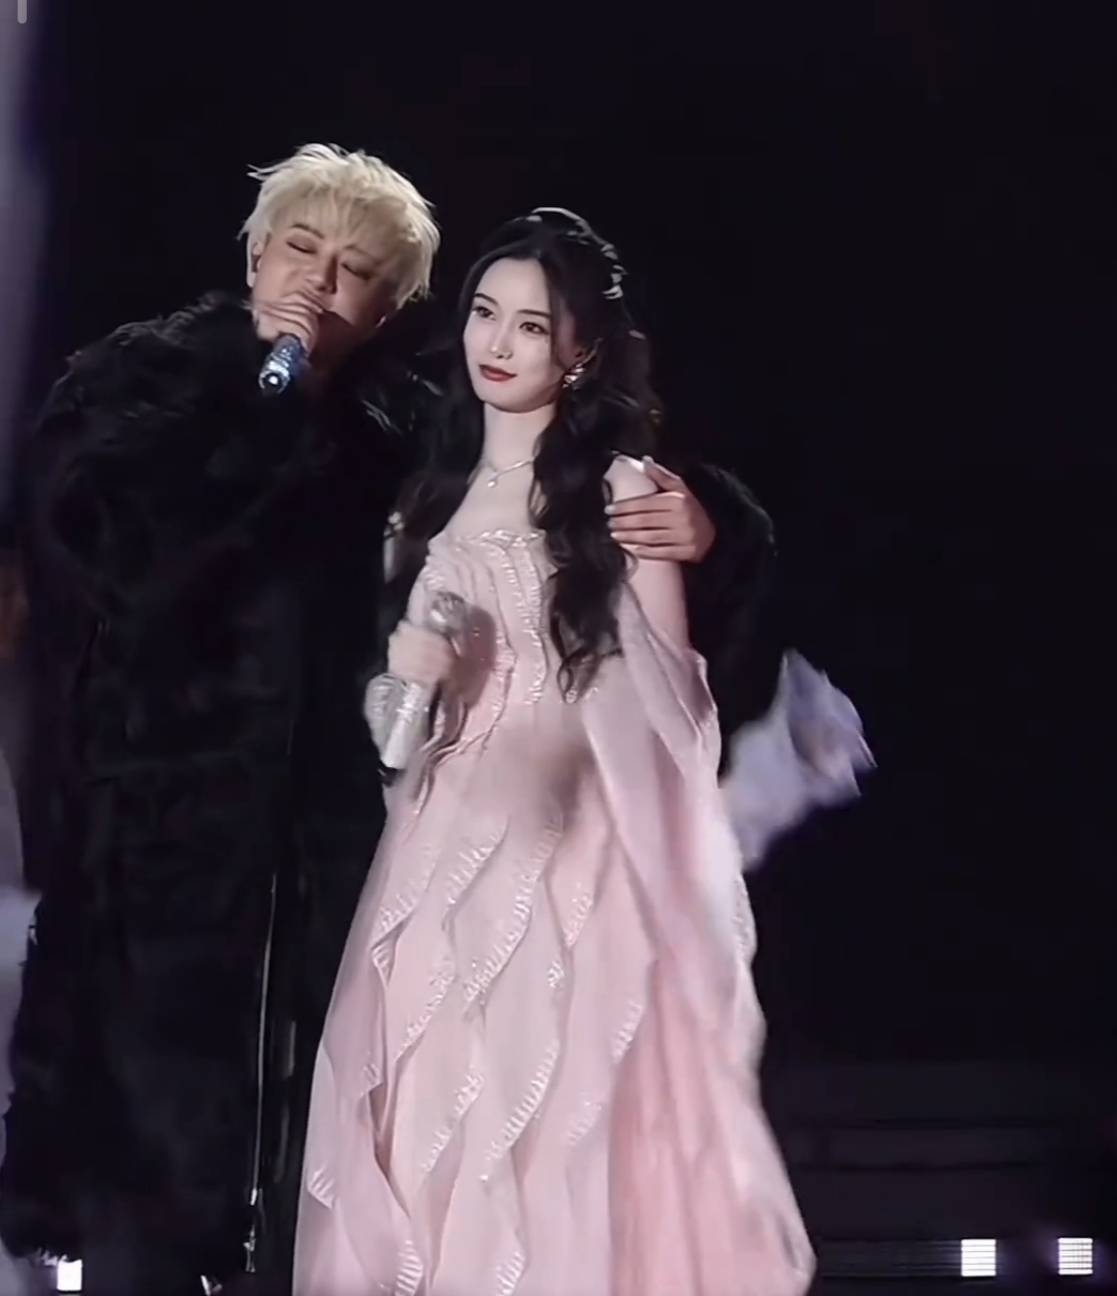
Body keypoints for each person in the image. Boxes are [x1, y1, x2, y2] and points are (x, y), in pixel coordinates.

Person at [0, 150, 782, 1295]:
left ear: (393, 305)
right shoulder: (133, 391)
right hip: (163, 871)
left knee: (328, 1198)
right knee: (148, 1213)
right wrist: (260, 399)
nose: (320, 283)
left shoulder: (406, 434)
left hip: (349, 864)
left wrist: (714, 528)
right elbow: (99, 558)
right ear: (256, 252)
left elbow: (553, 501)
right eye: (302, 249)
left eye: (357, 269)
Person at [293, 209, 824, 1296]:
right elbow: (393, 743)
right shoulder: (422, 506)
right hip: (435, 863)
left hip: (571, 868)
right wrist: (412, 678)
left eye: (531, 326)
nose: (497, 343)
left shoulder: (621, 493)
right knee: (430, 1132)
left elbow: (676, 708)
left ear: (579, 353)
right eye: (485, 313)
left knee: (550, 1141)